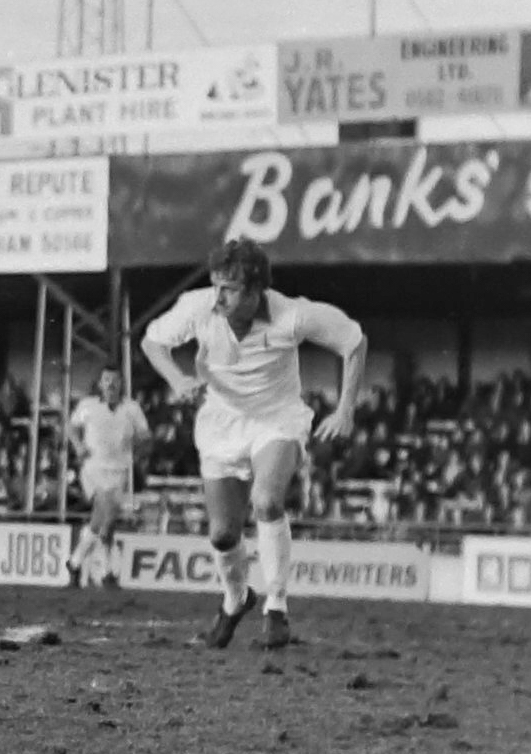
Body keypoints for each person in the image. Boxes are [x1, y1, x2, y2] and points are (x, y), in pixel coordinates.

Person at [142, 237, 366, 650]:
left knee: (266, 501)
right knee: (223, 535)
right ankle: (236, 599)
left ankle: (276, 608)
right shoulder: (199, 307)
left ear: (256, 289)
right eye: (216, 285)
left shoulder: (292, 315)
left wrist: (345, 409)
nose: (219, 296)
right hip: (221, 422)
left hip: (276, 420)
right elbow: (152, 342)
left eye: (229, 288)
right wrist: (177, 379)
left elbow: (353, 341)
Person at [65, 367, 152, 588]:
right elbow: (71, 427)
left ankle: (75, 564)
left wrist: (138, 449)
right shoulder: (88, 406)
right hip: (93, 469)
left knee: (103, 522)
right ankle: (106, 573)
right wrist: (77, 446)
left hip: (119, 471)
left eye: (114, 380)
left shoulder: (131, 409)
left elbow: (145, 435)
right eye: (106, 380)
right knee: (108, 514)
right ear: (100, 383)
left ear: (121, 383)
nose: (110, 384)